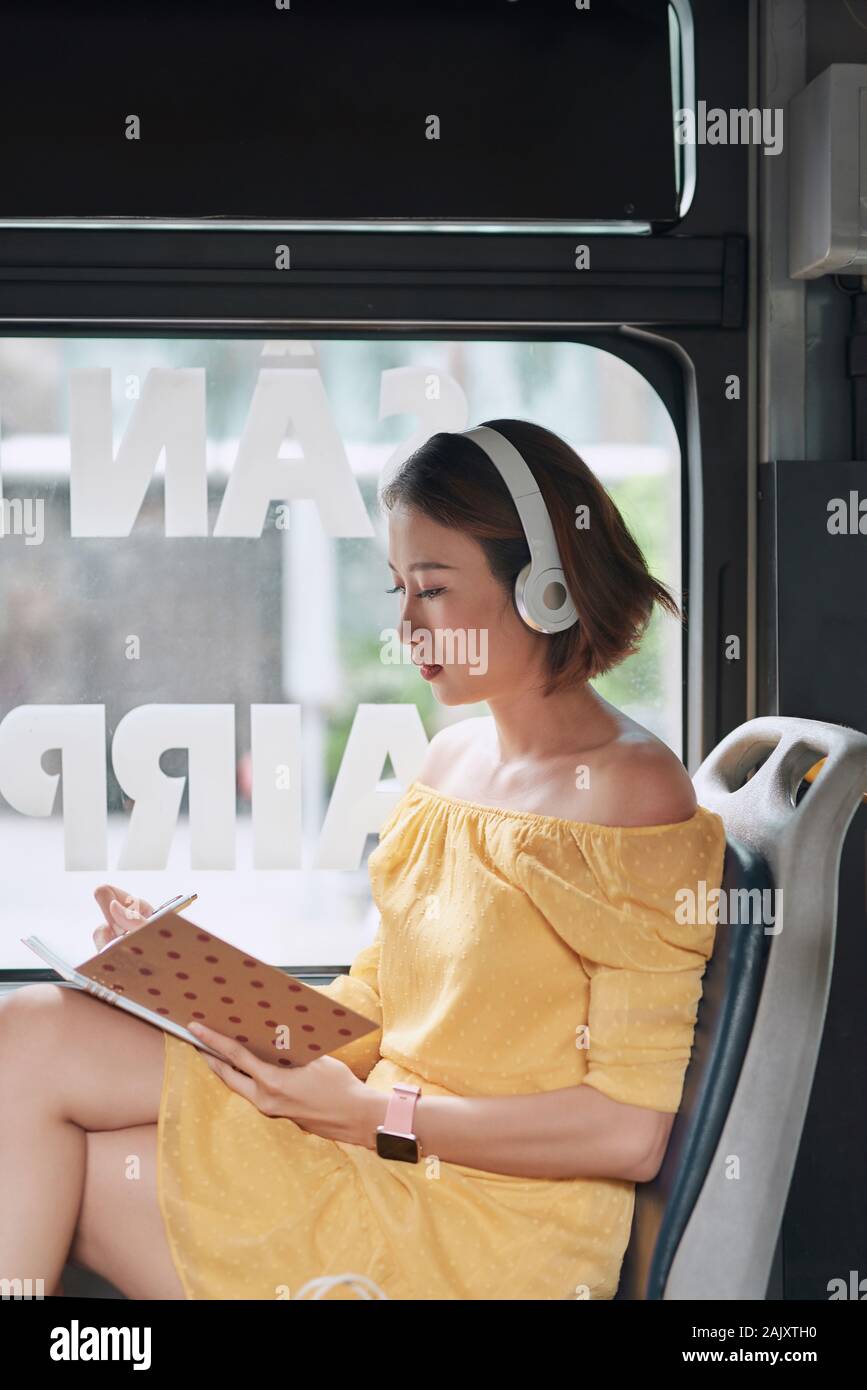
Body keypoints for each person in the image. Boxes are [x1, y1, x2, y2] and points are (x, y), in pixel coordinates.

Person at [0, 418, 725, 1300]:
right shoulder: (449, 764)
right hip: (371, 1139)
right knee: (31, 1033)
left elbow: (628, 1132)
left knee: (68, 1170)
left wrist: (378, 1117)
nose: (406, 623)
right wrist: (192, 980)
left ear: (545, 589)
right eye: (398, 588)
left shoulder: (631, 793)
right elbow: (375, 1004)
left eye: (432, 588)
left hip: (477, 1227)